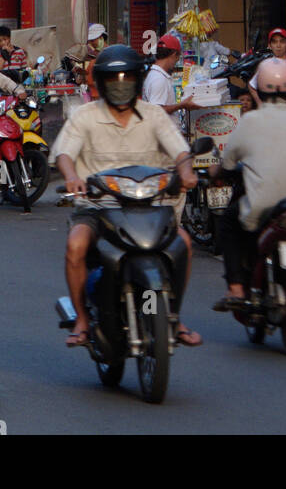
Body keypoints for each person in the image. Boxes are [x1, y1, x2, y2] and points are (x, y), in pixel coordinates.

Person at [53, 45, 202, 348]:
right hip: (98, 206)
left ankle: (172, 315)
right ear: (103, 84)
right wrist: (71, 176)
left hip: (150, 205)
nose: (120, 86)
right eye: (113, 80)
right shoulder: (85, 116)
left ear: (137, 81)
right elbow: (65, 154)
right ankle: (82, 320)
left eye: (127, 80)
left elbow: (180, 151)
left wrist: (186, 171)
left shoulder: (154, 115)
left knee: (183, 243)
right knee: (75, 245)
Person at [212, 57, 286, 310]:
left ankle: (236, 288)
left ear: (259, 88)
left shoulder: (249, 121)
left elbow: (228, 162)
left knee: (228, 222)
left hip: (264, 205)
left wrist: (215, 172)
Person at [142, 34, 196, 124]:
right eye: (178, 57)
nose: (177, 61)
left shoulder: (155, 75)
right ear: (174, 54)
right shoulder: (158, 78)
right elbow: (157, 111)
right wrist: (181, 105)